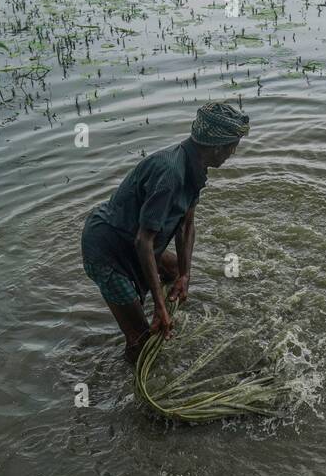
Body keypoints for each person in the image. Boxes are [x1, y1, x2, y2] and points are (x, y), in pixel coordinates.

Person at [81, 102, 249, 364]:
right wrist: (160, 308)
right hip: (108, 249)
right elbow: (143, 241)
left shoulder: (195, 168)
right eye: (231, 146)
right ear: (217, 147)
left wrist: (185, 274)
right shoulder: (171, 174)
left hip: (132, 240)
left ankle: (149, 297)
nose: (233, 152)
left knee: (171, 273)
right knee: (141, 338)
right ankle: (139, 392)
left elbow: (186, 225)